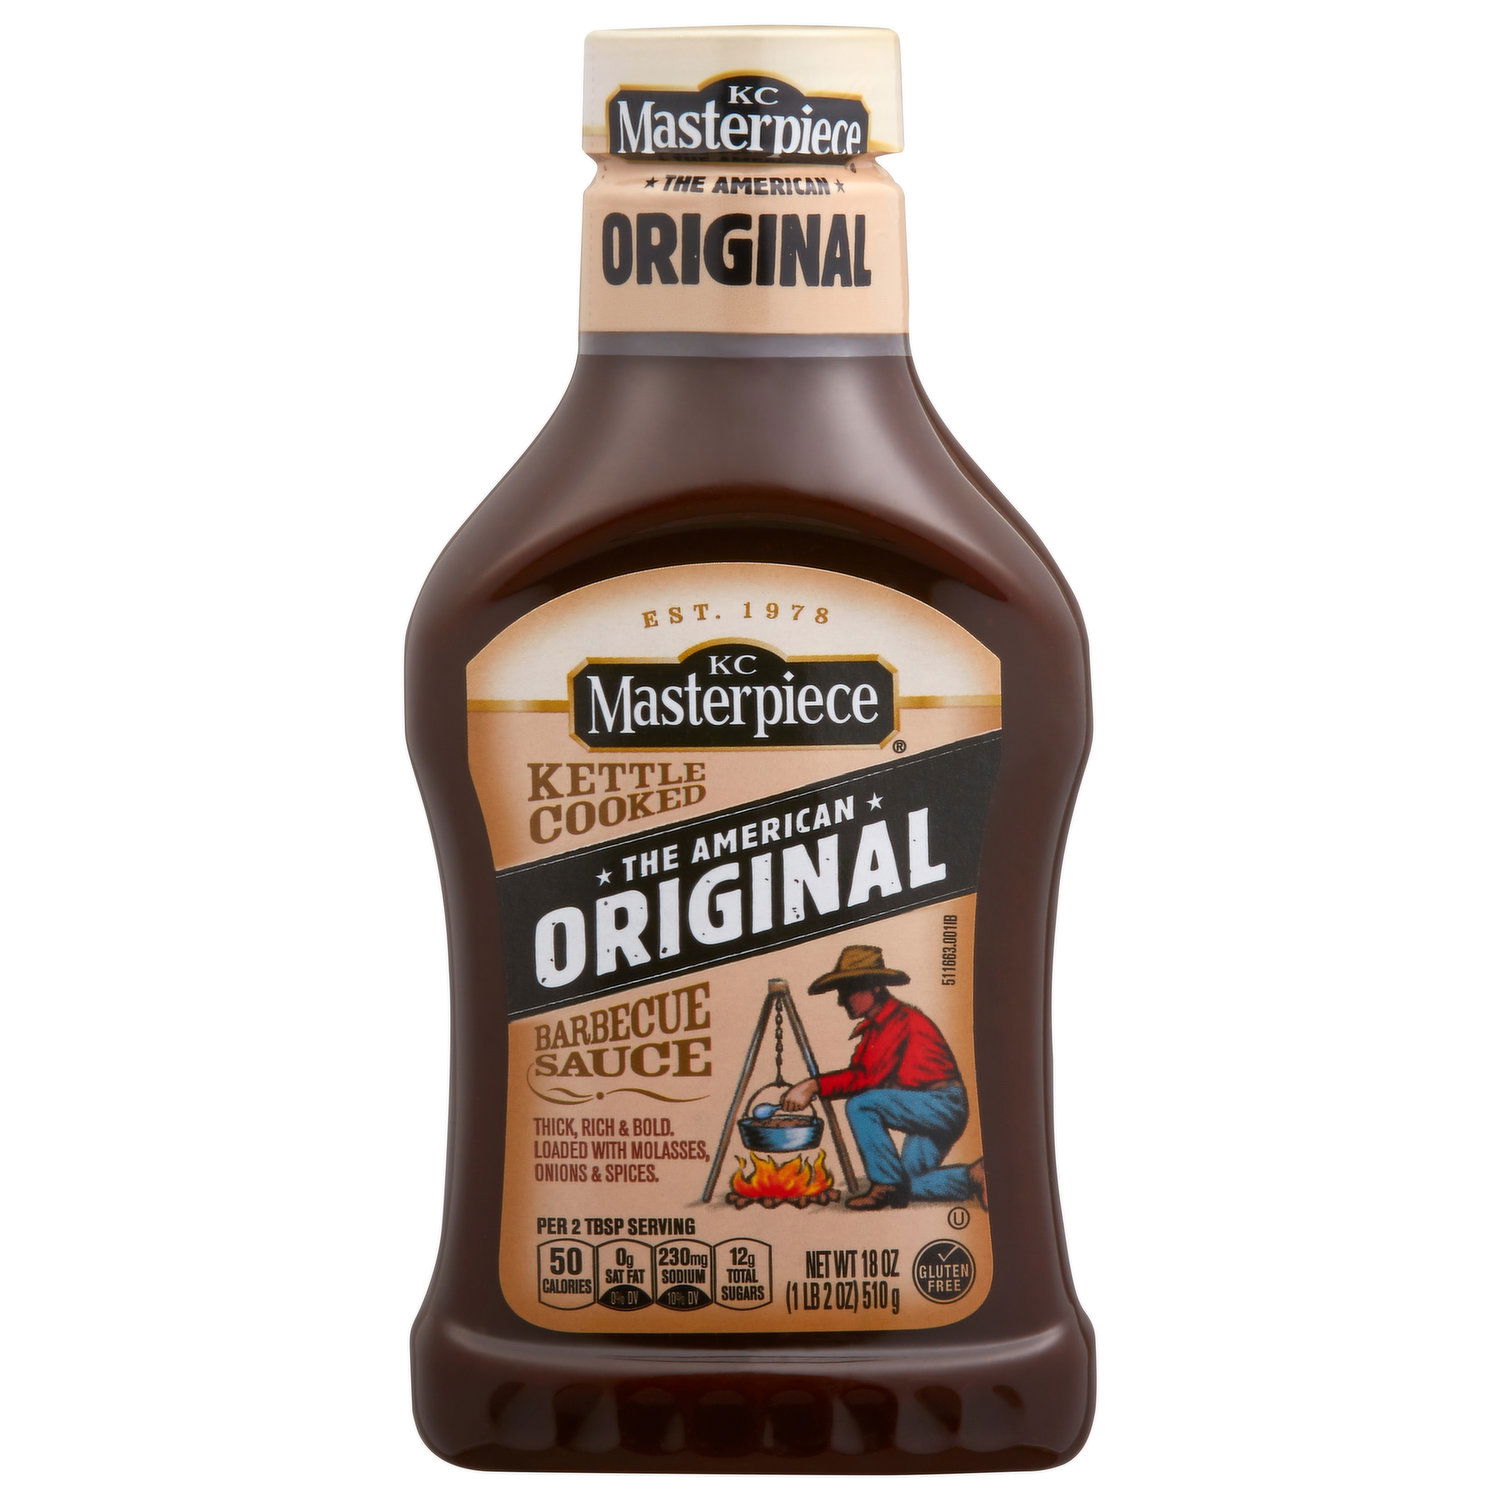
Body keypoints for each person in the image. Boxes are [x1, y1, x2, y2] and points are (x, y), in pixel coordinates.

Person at [781, 944, 987, 1211]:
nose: (841, 1000)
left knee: (861, 1105)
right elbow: (864, 1073)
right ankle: (974, 1176)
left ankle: (884, 1184)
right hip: (927, 1111)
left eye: (848, 991)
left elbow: (864, 1078)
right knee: (909, 1184)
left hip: (940, 1105)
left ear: (875, 988)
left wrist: (813, 1085)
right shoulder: (876, 1028)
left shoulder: (898, 1021)